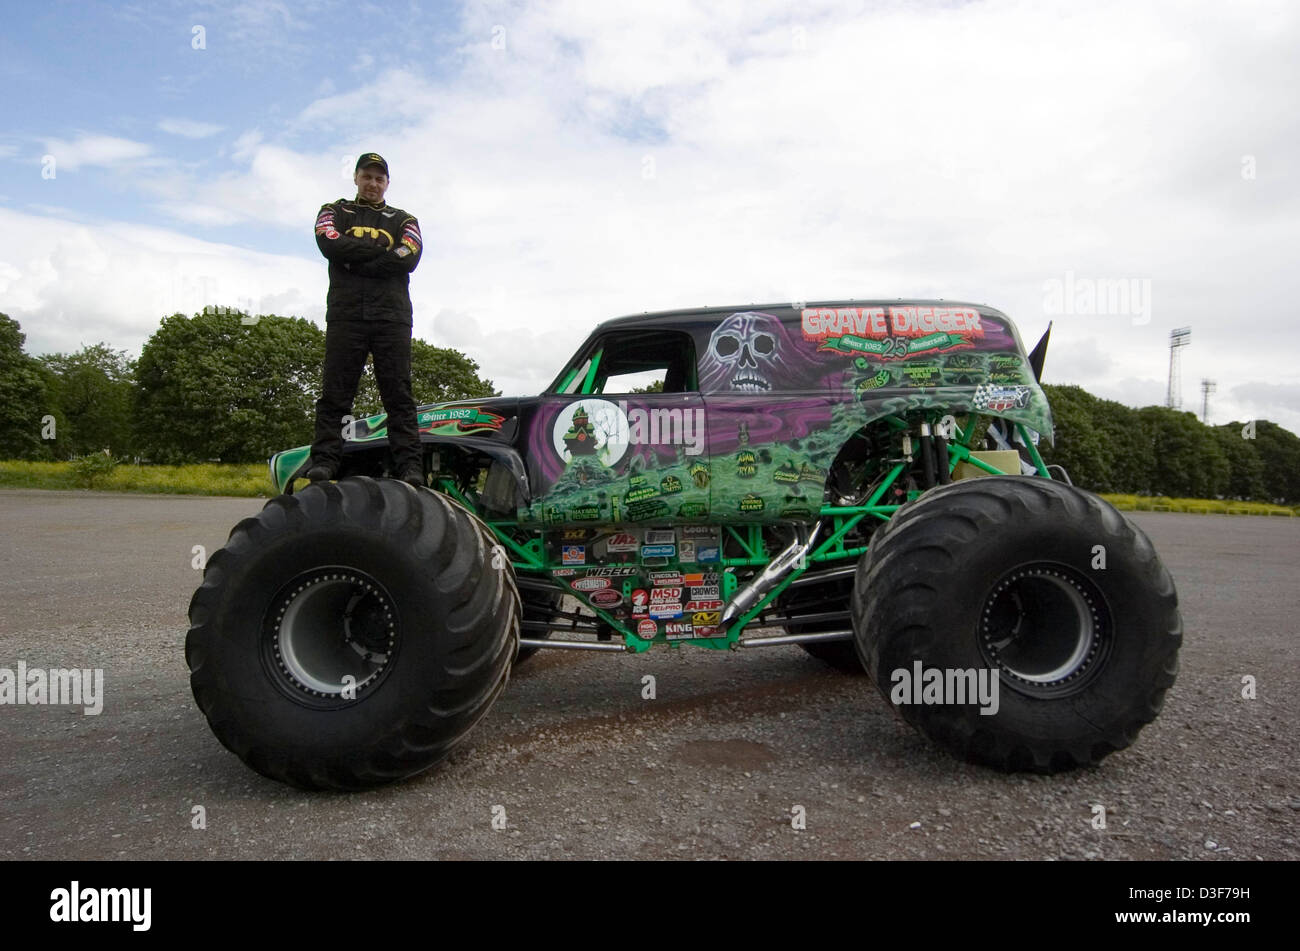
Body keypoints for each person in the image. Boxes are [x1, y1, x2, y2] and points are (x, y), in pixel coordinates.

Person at [307, 152, 424, 487]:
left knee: (398, 394)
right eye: (367, 177)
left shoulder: (404, 218)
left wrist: (354, 259)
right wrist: (380, 256)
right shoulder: (333, 210)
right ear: (356, 178)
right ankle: (326, 462)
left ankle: (409, 467)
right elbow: (328, 241)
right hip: (346, 314)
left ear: (387, 183)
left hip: (393, 316)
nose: (373, 183)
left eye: (379, 178)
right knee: (336, 393)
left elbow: (409, 255)